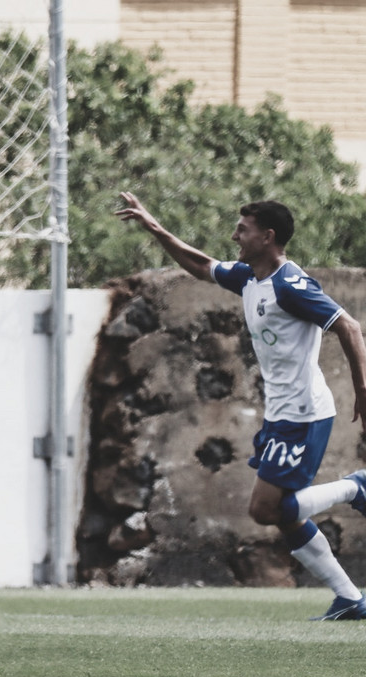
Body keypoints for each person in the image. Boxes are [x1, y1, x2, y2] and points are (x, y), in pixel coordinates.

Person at [117, 192, 366, 620]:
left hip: (303, 414)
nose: (235, 235)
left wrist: (362, 392)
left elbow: (349, 325)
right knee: (282, 513)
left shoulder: (290, 284)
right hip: (280, 415)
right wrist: (154, 227)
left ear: (267, 237)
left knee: (267, 509)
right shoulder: (248, 277)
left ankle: (356, 488)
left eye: (243, 229)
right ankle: (349, 598)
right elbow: (199, 264)